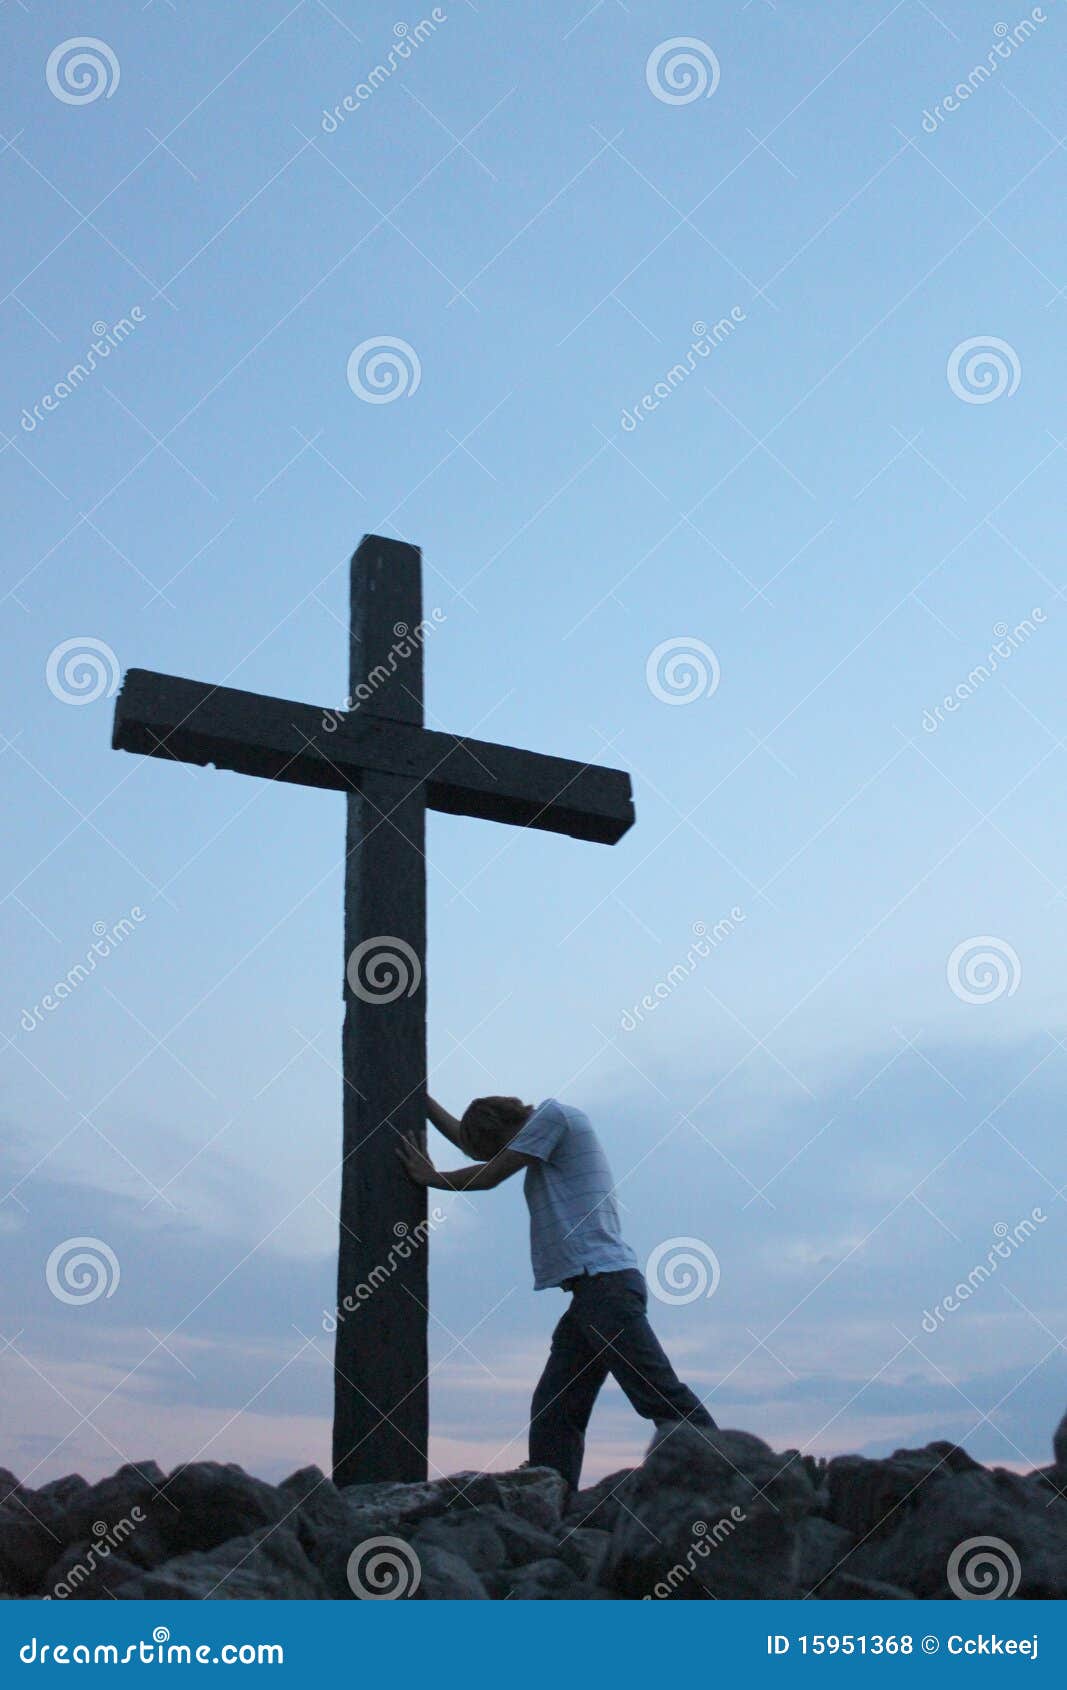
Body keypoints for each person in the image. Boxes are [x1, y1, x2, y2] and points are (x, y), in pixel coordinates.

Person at [398, 1093, 716, 1491]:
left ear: (503, 1129)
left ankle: (733, 1476)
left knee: (657, 1393)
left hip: (606, 1286)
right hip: (590, 1295)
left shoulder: (554, 1117)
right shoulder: (538, 1137)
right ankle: (552, 1503)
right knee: (555, 1410)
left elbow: (491, 1173)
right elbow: (474, 1148)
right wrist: (420, 1096)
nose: (497, 1156)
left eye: (494, 1147)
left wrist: (434, 1178)